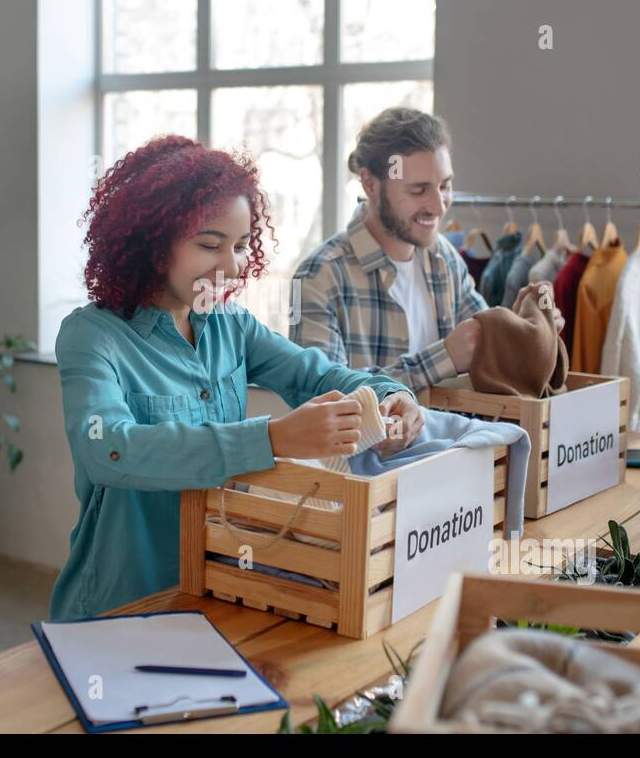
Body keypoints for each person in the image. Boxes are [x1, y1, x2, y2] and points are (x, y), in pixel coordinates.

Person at [50, 135, 424, 620]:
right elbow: (109, 450)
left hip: (221, 584)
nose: (232, 266)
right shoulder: (92, 335)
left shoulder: (232, 325)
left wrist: (393, 396)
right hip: (123, 599)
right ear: (151, 244)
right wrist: (271, 438)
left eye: (243, 246)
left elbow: (318, 375)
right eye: (210, 245)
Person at [289, 107, 561, 390]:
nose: (438, 205)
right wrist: (445, 358)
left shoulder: (445, 260)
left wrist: (532, 332)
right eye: (418, 191)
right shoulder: (317, 278)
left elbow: (492, 353)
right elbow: (321, 398)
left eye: (444, 185)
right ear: (370, 184)